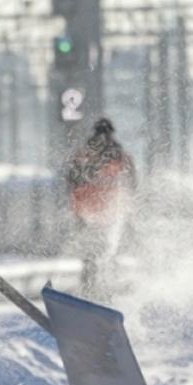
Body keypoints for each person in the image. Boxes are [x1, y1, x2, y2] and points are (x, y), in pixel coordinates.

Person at [63, 119, 138, 295]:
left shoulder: (83, 155)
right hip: (111, 209)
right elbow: (131, 183)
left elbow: (71, 181)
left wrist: (77, 208)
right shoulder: (120, 156)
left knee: (91, 250)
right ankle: (103, 285)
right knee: (107, 250)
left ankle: (90, 284)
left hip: (86, 209)